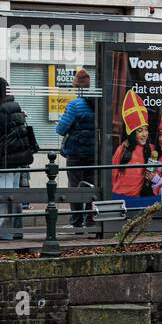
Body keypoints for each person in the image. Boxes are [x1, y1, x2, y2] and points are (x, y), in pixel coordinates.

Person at [0, 77, 38, 241]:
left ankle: (3, 232)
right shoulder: (15, 106)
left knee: (3, 195)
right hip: (18, 159)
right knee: (14, 196)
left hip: (6, 160)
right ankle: (16, 230)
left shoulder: (0, 110)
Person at [56, 68, 97, 228]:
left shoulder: (74, 105)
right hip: (93, 152)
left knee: (75, 186)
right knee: (90, 185)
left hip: (75, 153)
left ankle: (76, 221)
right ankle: (90, 219)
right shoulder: (96, 103)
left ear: (76, 86)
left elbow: (61, 129)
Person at [112, 90, 156, 199]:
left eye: (146, 130)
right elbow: (112, 176)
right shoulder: (122, 150)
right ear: (132, 133)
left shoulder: (151, 149)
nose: (144, 134)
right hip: (118, 197)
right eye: (140, 131)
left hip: (136, 200)